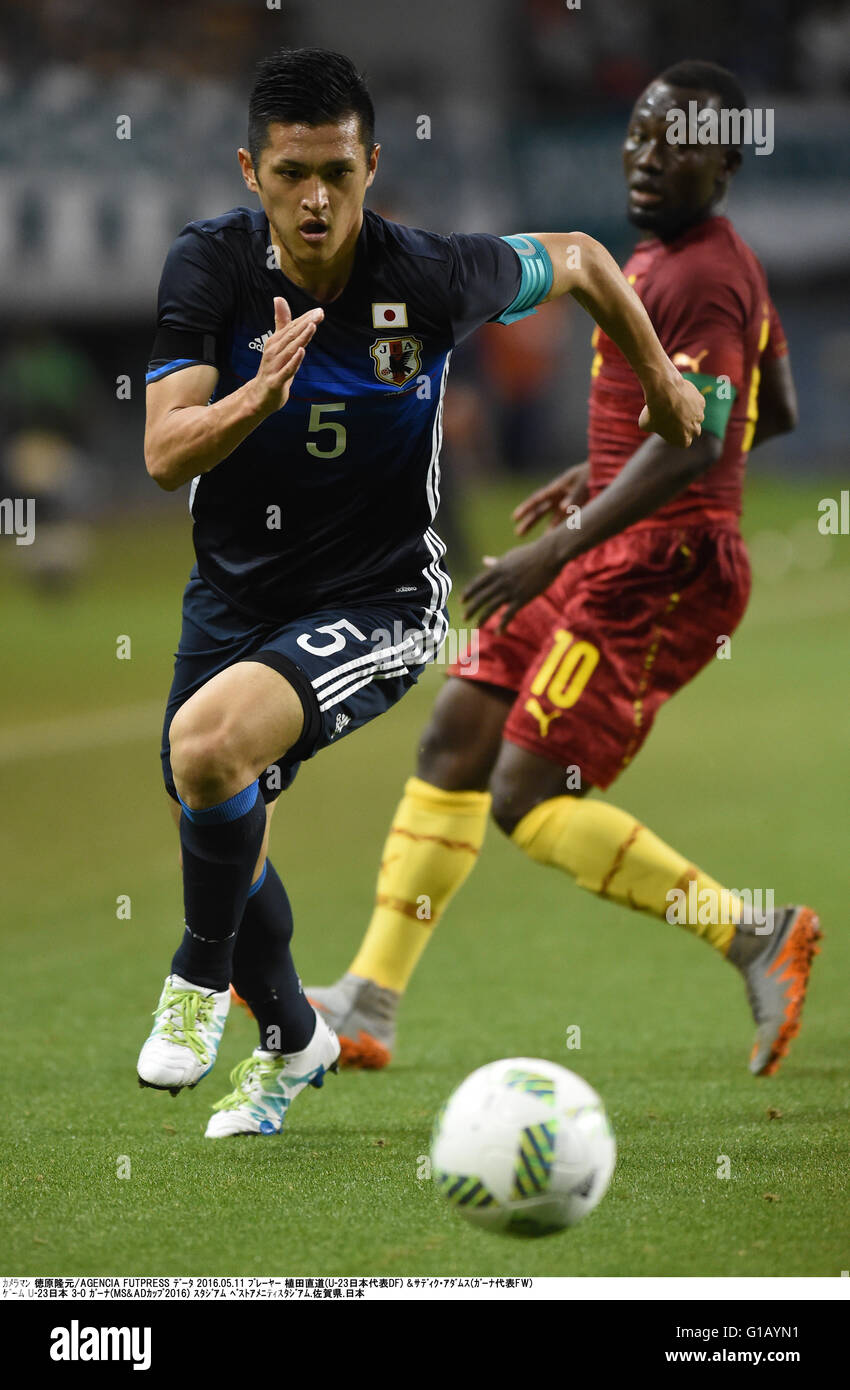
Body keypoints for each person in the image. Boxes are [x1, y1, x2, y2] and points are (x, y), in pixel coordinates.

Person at [135, 47, 704, 1139]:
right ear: (251, 170)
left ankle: (197, 978)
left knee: (205, 753)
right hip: (232, 598)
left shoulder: (432, 275)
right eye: (293, 173)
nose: (316, 200)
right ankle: (296, 1039)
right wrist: (258, 396)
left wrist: (662, 374)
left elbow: (583, 258)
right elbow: (166, 455)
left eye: (338, 175)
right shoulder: (206, 268)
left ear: (371, 166)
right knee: (219, 813)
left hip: (381, 597)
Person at [309, 61, 820, 1077]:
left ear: (724, 158)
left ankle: (756, 934)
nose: (643, 154)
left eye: (673, 140)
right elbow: (770, 410)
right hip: (615, 541)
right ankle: (368, 1000)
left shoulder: (697, 275)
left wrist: (558, 543)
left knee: (530, 793)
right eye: (636, 134)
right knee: (456, 729)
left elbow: (697, 443)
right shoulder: (687, 258)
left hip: (659, 568)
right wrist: (608, 463)